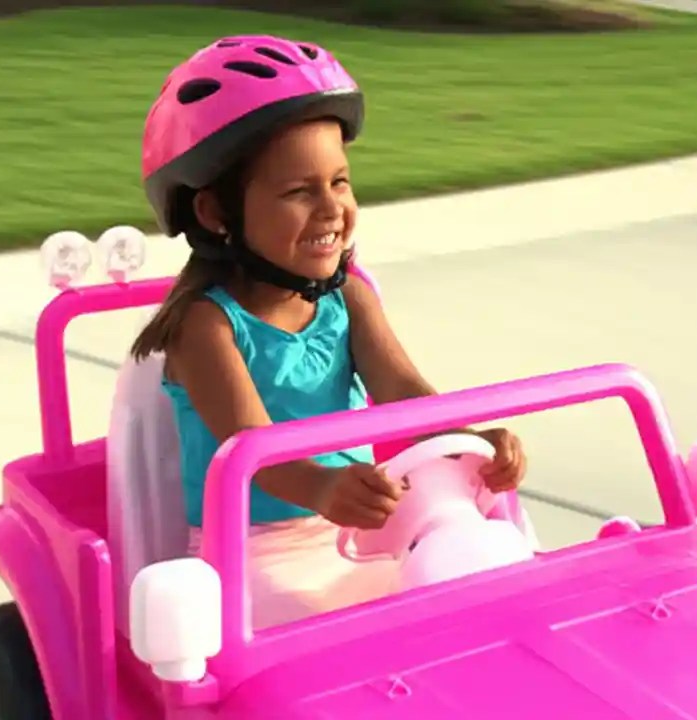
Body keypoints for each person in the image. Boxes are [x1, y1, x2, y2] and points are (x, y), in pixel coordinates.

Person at [130, 35, 529, 628]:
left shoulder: (350, 296)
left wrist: (475, 439)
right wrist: (321, 487)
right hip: (253, 552)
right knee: (337, 642)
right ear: (216, 214)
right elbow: (253, 453)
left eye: (339, 182)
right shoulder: (205, 327)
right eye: (298, 191)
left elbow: (404, 391)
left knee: (470, 589)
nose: (331, 208)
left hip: (364, 529)